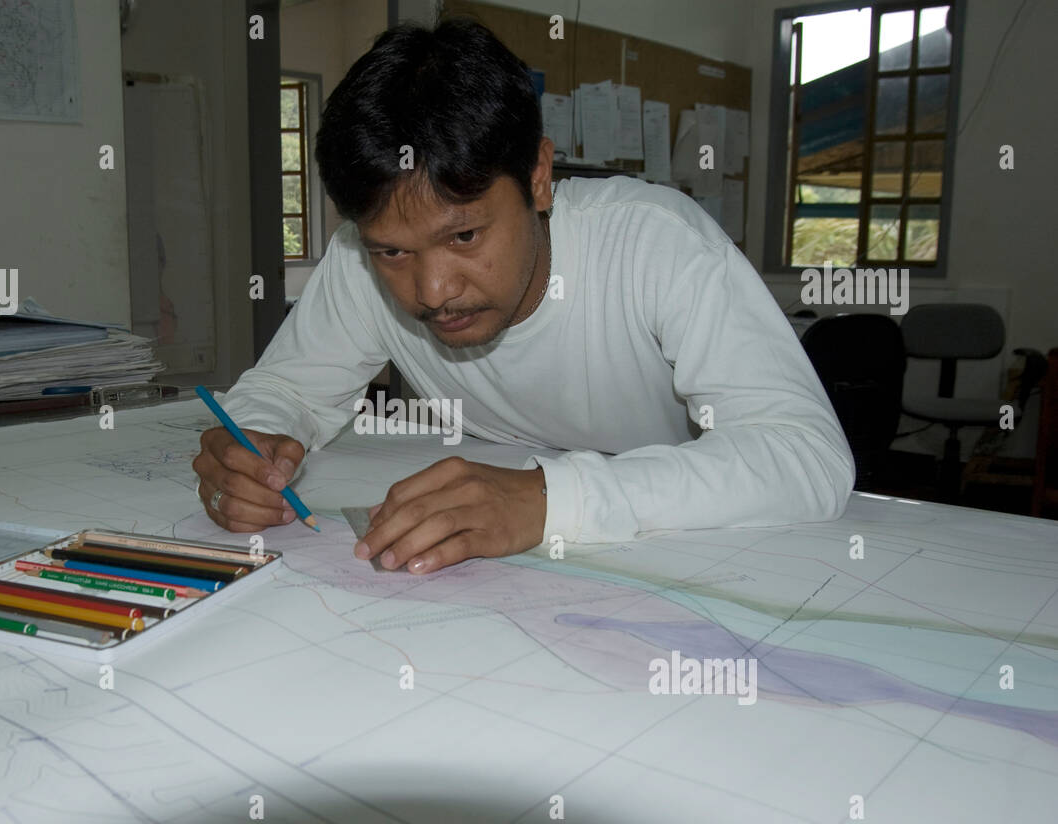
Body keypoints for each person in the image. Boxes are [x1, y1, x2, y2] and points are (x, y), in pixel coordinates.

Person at [192, 18, 854, 575]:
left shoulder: (657, 244)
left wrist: (549, 501)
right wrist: (253, 445)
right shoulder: (357, 261)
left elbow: (805, 457)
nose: (432, 291)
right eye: (393, 250)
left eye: (466, 235)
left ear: (539, 177)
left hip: (698, 559)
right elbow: (287, 391)